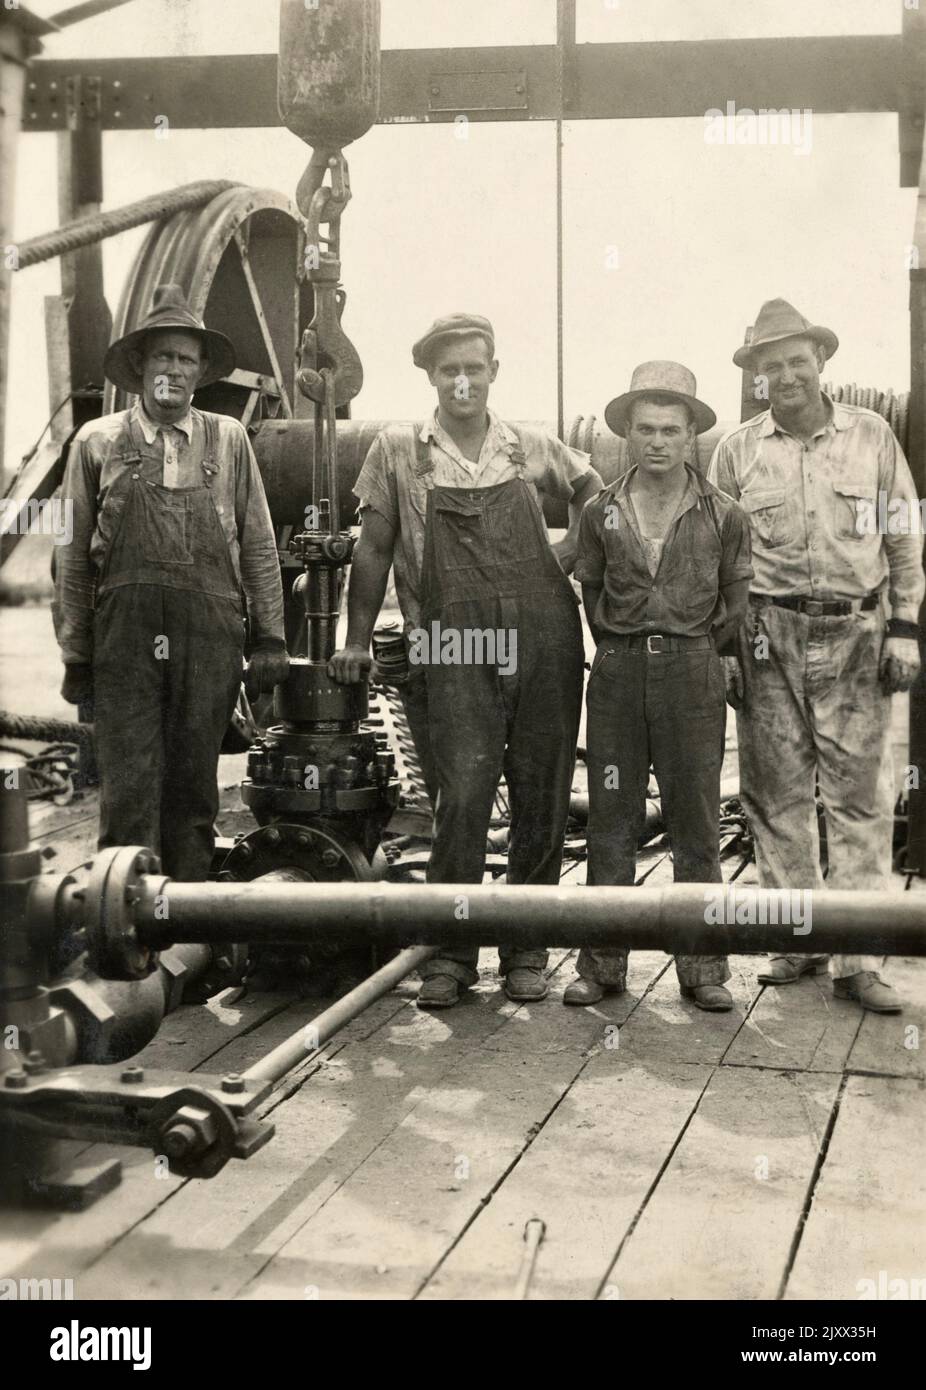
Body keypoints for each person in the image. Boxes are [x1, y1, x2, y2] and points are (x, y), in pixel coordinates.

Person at [328, 313, 601, 1007]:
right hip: (449, 645)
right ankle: (450, 955)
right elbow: (373, 549)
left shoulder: (529, 447)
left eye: (473, 368)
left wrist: (566, 557)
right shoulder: (397, 450)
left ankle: (528, 951)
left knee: (541, 792)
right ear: (430, 377)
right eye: (448, 370)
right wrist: (355, 640)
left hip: (541, 639)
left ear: (493, 371)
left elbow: (595, 489)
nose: (462, 381)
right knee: (462, 798)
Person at [709, 298, 924, 1012]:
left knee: (859, 799)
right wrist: (726, 646)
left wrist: (906, 629)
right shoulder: (736, 452)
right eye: (773, 366)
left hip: (859, 635)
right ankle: (796, 938)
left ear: (821, 362)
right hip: (767, 636)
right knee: (775, 798)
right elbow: (715, 558)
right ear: (758, 377)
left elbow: (903, 539)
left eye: (798, 360)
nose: (788, 374)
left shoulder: (872, 437)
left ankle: (857, 960)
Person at [53, 283, 288, 881]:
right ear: (139, 367)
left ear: (201, 370)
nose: (174, 370)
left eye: (185, 359)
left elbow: (259, 543)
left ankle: (187, 935)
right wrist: (77, 652)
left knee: (193, 794)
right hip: (125, 643)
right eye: (163, 357)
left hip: (207, 640)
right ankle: (126, 944)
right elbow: (72, 558)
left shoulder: (229, 440)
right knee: (128, 792)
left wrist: (269, 638)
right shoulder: (96, 442)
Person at [568, 362, 753, 1010]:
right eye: (644, 429)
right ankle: (602, 965)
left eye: (670, 430)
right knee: (610, 824)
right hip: (618, 676)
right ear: (627, 435)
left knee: (696, 827)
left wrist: (694, 646)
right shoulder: (600, 511)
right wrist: (619, 644)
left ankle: (703, 971)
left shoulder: (724, 514)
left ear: (690, 435)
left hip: (692, 675)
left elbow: (736, 599)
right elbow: (590, 588)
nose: (656, 442)